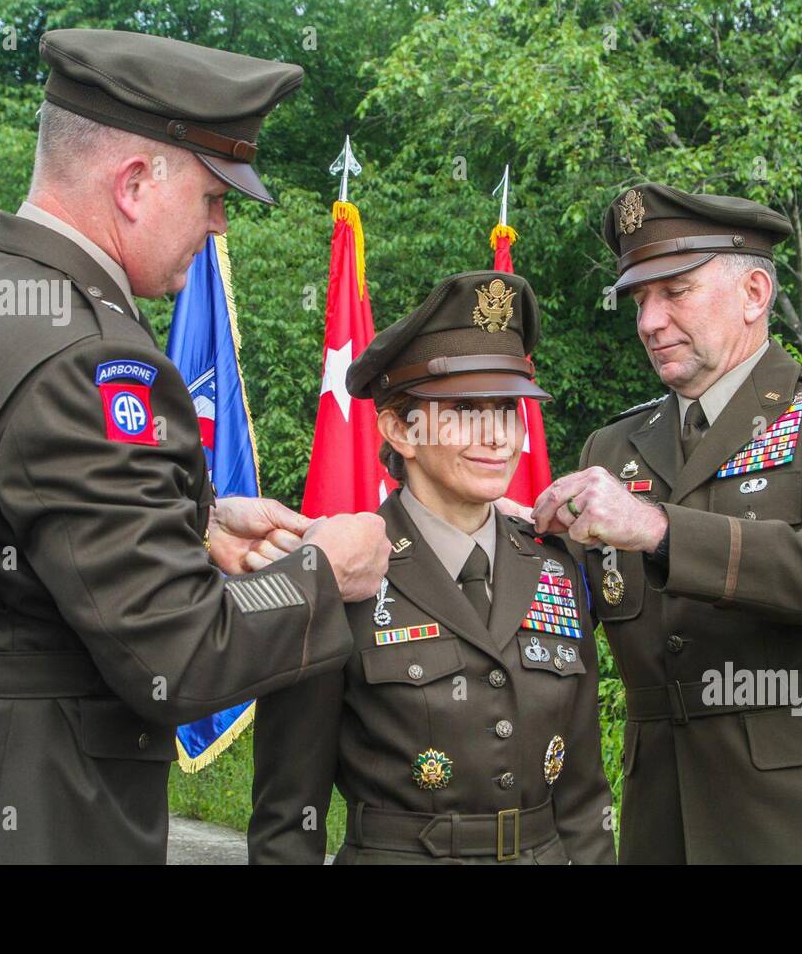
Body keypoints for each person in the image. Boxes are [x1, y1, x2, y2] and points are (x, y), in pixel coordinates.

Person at [0, 28, 389, 864]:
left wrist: (196, 518)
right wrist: (326, 573)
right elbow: (176, 653)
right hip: (34, 808)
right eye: (214, 198)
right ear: (134, 183)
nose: (216, 228)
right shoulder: (93, 356)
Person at [531, 183, 802, 864]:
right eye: (639, 300)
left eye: (675, 292)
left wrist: (659, 530)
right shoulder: (615, 448)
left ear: (754, 293)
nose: (650, 322)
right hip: (665, 823)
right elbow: (563, 616)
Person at [248, 271, 615, 864]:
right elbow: (288, 817)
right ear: (400, 428)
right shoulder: (341, 570)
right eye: (467, 409)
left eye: (507, 410)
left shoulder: (557, 566)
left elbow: (583, 799)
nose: (497, 436)